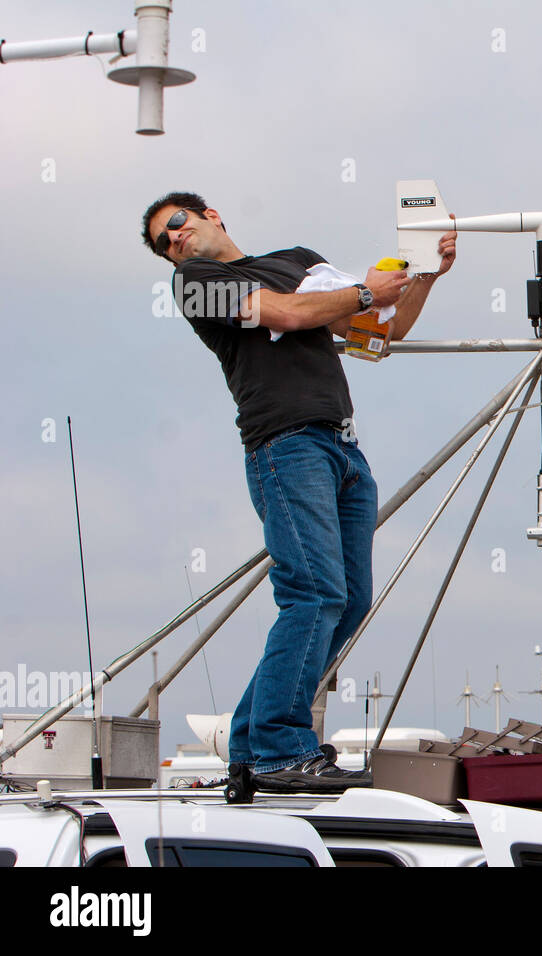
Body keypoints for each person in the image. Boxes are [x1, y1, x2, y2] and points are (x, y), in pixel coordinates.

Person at [141, 192, 456, 791]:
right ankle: (279, 748)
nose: (173, 240)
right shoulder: (194, 284)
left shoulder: (297, 262)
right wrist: (366, 291)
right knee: (312, 594)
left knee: (349, 599)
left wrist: (423, 279)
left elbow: (375, 335)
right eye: (162, 242)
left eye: (176, 223)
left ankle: (247, 744)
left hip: (341, 447)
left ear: (211, 213)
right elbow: (284, 315)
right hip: (285, 445)